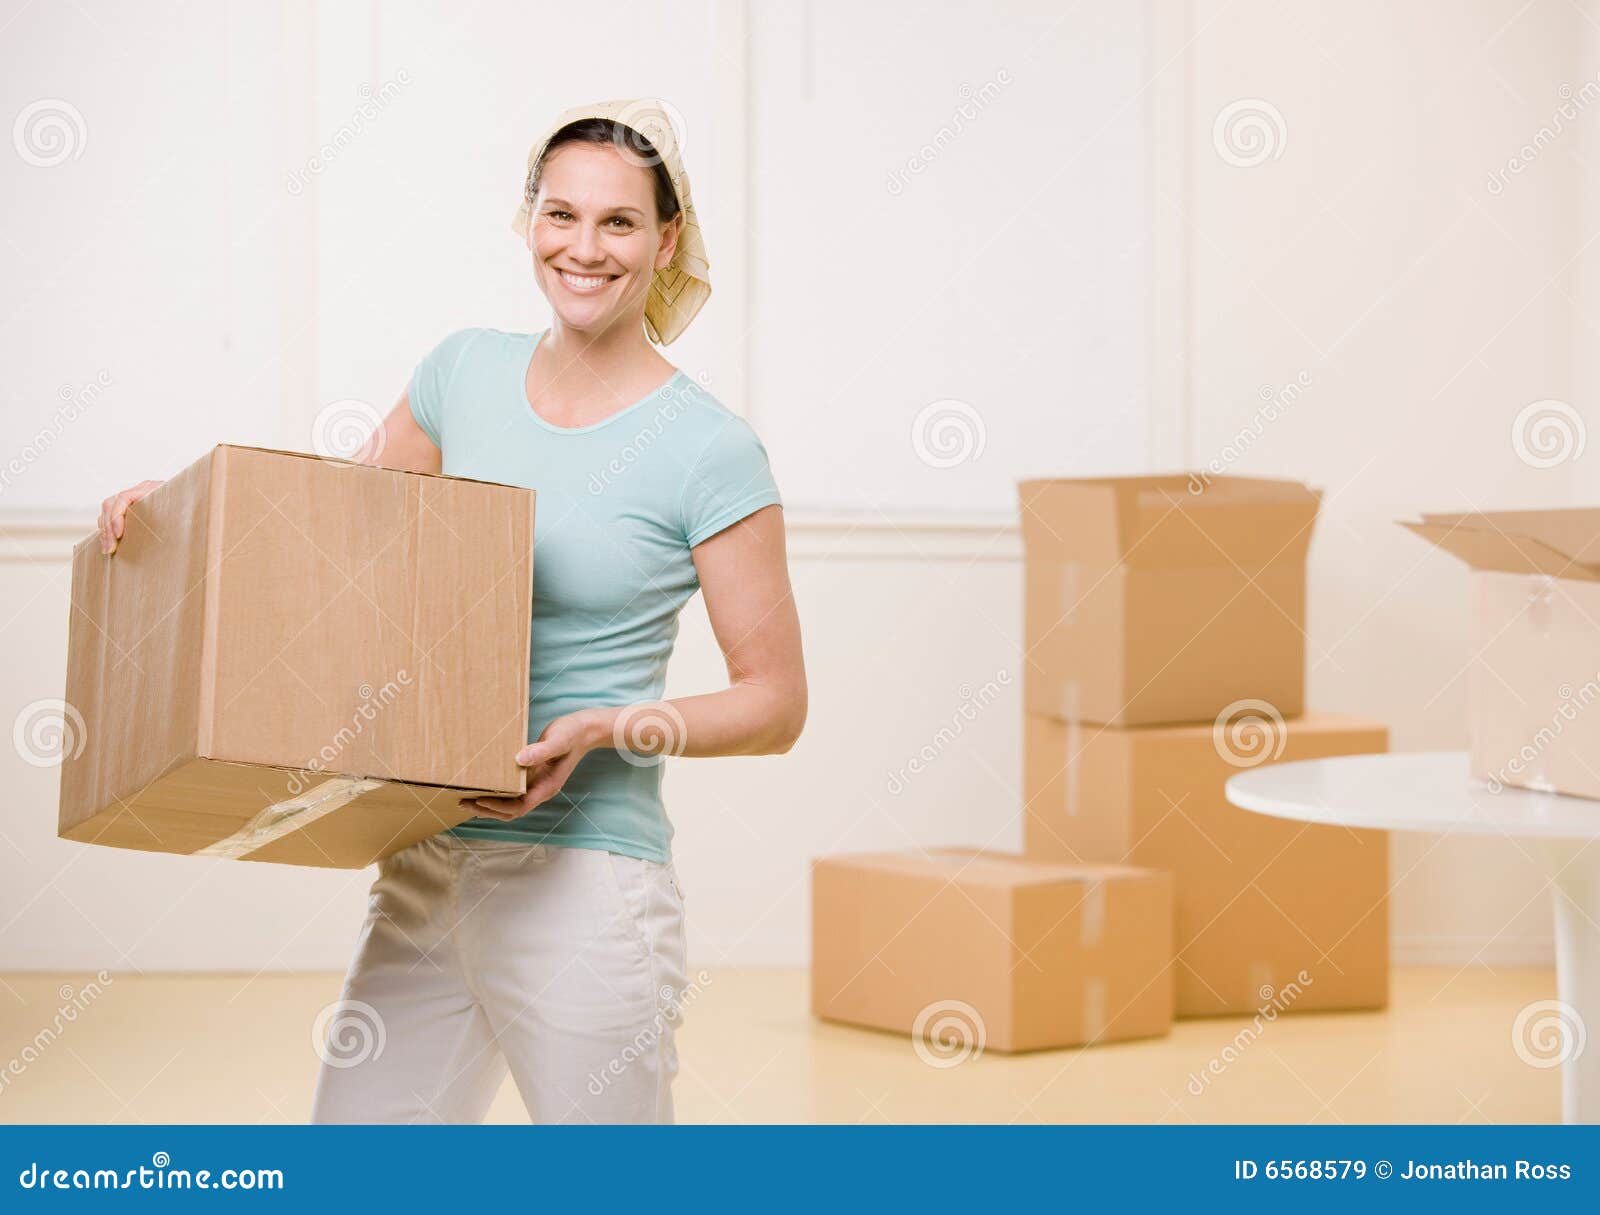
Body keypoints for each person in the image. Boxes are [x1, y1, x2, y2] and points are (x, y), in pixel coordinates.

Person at [95, 98, 807, 1124]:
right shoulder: (461, 371)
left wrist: (605, 728)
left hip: (587, 884)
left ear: (666, 241)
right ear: (530, 221)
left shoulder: (710, 449)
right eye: (560, 214)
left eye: (618, 222)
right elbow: (329, 543)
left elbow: (776, 703)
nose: (584, 248)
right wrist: (173, 514)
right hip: (426, 855)